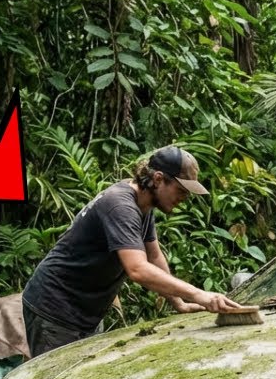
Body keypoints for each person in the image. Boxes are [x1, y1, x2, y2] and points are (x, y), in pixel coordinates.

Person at [21, 146, 242, 357]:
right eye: (181, 191)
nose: (184, 199)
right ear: (157, 179)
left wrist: (178, 302)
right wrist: (198, 294)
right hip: (54, 308)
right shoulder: (121, 206)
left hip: (85, 312)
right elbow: (137, 269)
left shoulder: (143, 205)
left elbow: (154, 256)